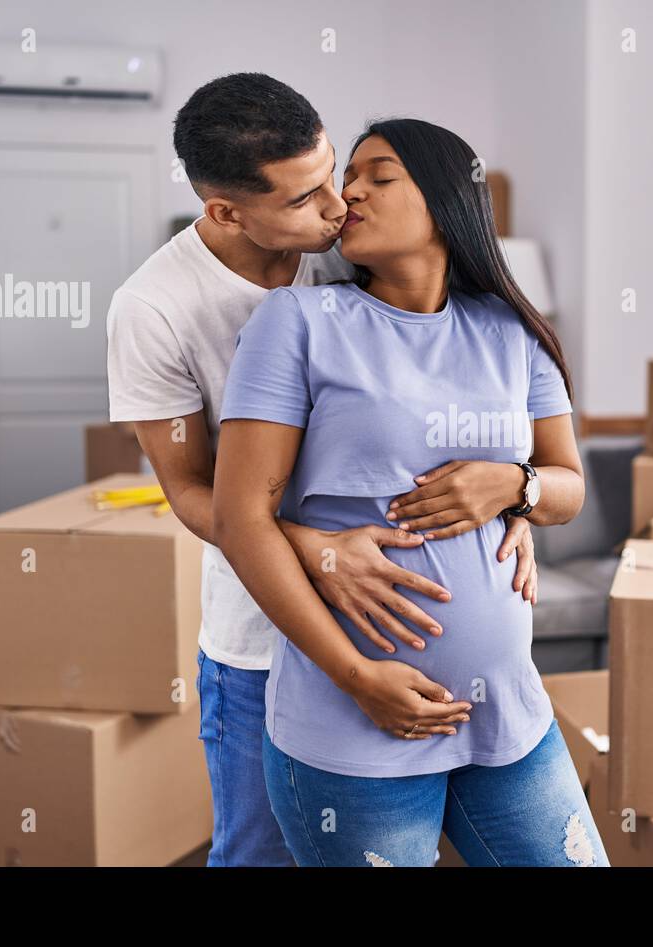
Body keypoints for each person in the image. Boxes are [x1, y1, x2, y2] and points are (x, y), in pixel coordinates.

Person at [106, 76, 539, 866]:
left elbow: (451, 403)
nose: (338, 208)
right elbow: (191, 492)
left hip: (413, 640)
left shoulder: (352, 258)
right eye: (307, 199)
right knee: (259, 854)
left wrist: (511, 500)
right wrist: (318, 548)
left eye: (335, 172)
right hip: (260, 639)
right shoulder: (155, 310)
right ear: (227, 212)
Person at [214, 118, 609, 866]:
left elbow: (567, 489)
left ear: (446, 197)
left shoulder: (510, 332)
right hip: (355, 725)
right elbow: (240, 520)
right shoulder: (298, 323)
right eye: (346, 176)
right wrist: (359, 677)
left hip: (508, 718)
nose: (348, 191)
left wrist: (511, 486)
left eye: (377, 173)